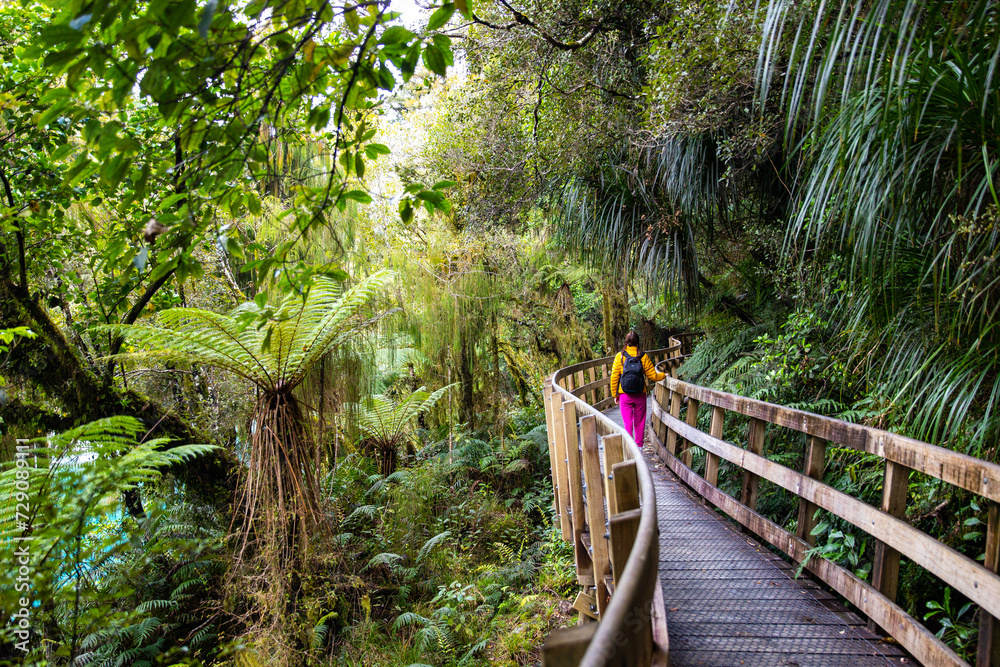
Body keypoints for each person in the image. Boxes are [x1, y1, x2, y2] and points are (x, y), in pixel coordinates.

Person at [610, 331, 666, 446]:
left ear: (626, 342)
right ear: (638, 342)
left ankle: (630, 449)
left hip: (624, 395)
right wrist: (663, 375)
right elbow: (652, 376)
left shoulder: (620, 356)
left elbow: (614, 377)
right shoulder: (643, 356)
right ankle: (639, 447)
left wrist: (615, 395)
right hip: (640, 394)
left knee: (627, 423)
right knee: (639, 422)